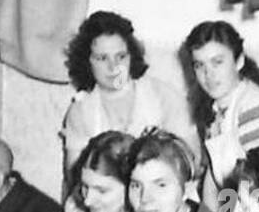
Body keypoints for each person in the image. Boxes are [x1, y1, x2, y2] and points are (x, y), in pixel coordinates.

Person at [61, 11, 199, 172]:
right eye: (102, 58)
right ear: (87, 61)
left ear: (131, 56)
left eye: (121, 57)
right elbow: (75, 177)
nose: (113, 67)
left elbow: (193, 162)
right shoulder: (81, 111)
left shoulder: (163, 96)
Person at [184, 21, 259, 208]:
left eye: (217, 62)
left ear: (239, 61)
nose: (208, 74)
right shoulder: (217, 109)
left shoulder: (255, 109)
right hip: (245, 211)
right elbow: (213, 179)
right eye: (199, 65)